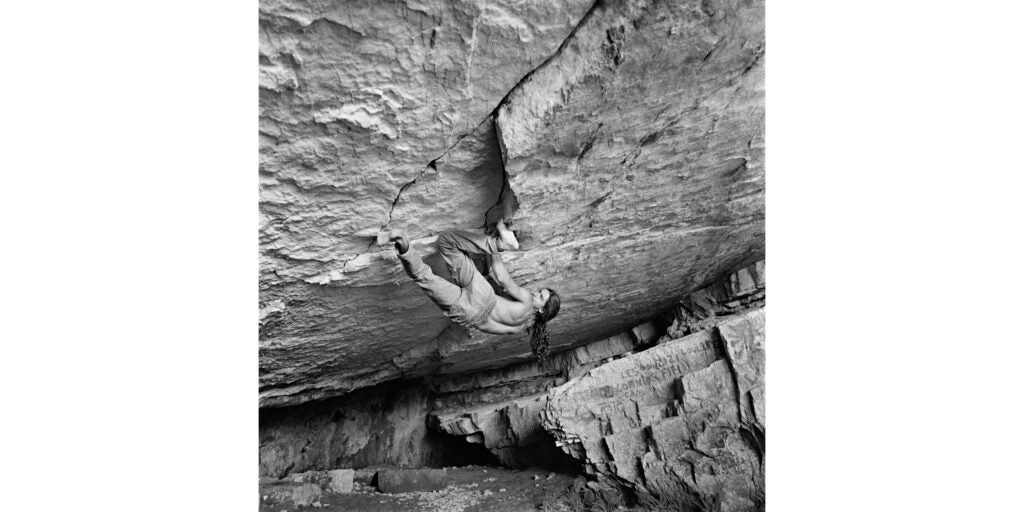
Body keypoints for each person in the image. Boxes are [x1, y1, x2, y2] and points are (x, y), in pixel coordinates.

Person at [381, 220, 561, 360]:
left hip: (484, 296)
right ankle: (401, 241)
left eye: (540, 295)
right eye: (539, 291)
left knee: (447, 240)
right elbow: (484, 326)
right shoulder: (517, 328)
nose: (535, 292)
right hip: (470, 313)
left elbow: (501, 276)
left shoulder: (527, 300)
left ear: (542, 308)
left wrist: (495, 248)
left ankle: (500, 243)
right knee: (422, 276)